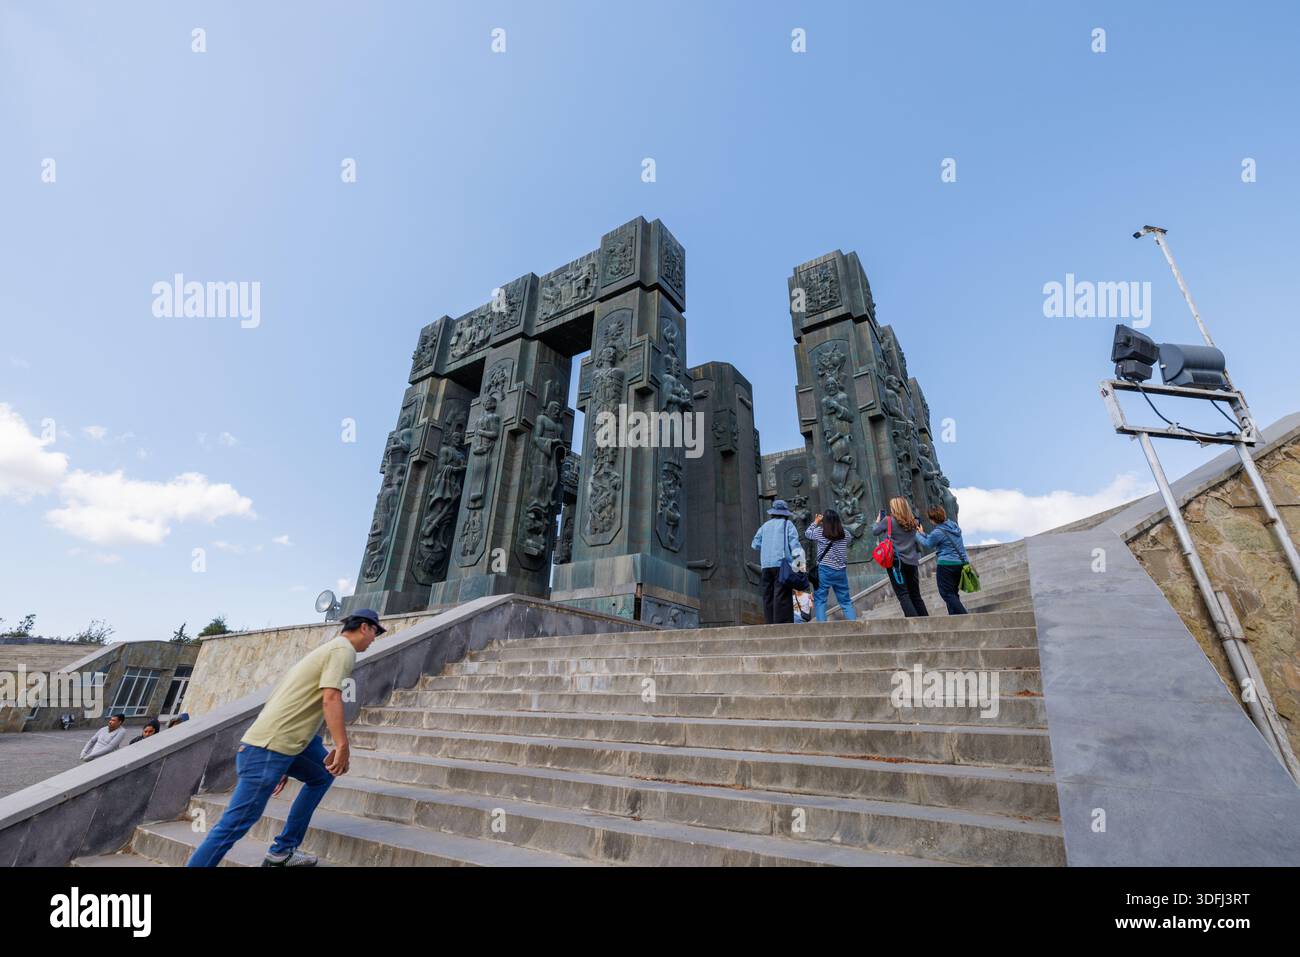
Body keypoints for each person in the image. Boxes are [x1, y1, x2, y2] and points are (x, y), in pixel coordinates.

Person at [186, 609, 386, 868]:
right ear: (364, 627)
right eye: (376, 632)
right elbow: (331, 697)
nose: (374, 639)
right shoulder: (343, 650)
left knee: (322, 774)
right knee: (233, 825)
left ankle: (283, 850)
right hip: (268, 748)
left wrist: (287, 764)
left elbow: (296, 704)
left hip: (284, 745)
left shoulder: (326, 651)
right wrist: (342, 745)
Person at [871, 498, 929, 618]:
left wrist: (877, 521)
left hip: (896, 563)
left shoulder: (888, 520)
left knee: (903, 595)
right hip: (912, 562)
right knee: (916, 595)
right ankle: (926, 621)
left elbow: (875, 531)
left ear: (895, 508)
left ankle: (914, 624)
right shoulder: (914, 522)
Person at [751, 500, 806, 625]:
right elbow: (795, 546)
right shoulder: (788, 524)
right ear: (785, 513)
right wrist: (800, 566)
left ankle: (770, 623)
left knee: (768, 595)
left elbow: (754, 544)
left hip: (765, 565)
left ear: (773, 513)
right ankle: (782, 624)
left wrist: (767, 547)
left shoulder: (764, 526)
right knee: (781, 595)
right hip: (781, 565)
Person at [805, 509, 858, 622]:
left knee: (821, 600)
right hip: (840, 571)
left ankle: (823, 629)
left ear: (825, 521)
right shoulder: (845, 533)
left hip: (824, 570)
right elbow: (849, 540)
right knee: (845, 601)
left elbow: (807, 533)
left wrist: (816, 521)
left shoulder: (820, 532)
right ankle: (854, 625)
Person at [918, 505, 971, 615]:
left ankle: (964, 615)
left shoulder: (938, 532)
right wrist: (923, 534)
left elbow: (928, 543)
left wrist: (916, 534)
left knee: (946, 593)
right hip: (960, 563)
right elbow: (936, 538)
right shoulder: (953, 526)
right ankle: (955, 617)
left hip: (947, 565)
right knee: (953, 593)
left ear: (932, 519)